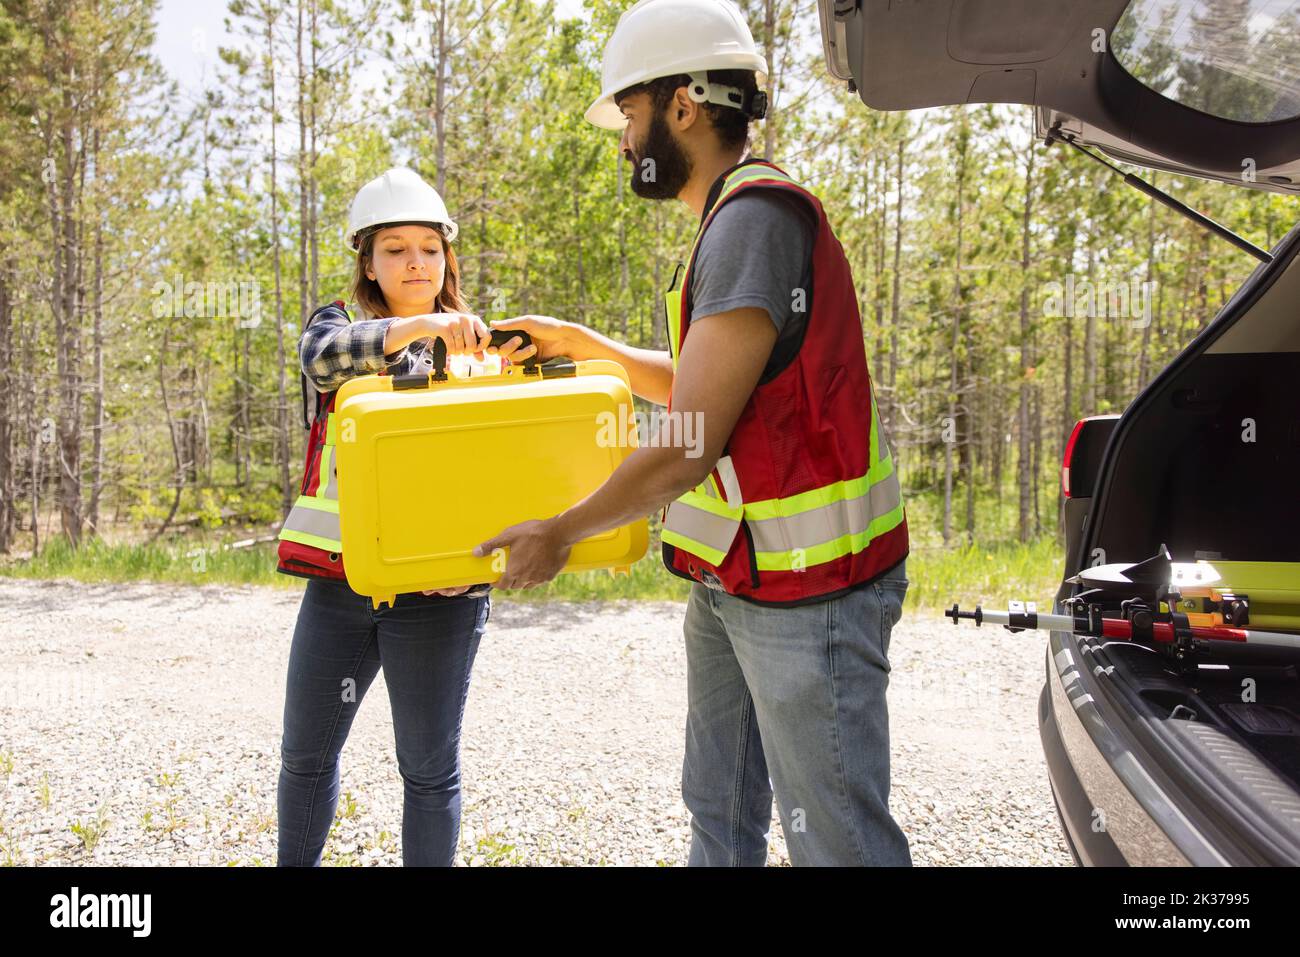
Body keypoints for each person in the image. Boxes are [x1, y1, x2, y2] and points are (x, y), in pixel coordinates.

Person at [482, 0, 912, 866]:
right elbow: (713, 390)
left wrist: (561, 531)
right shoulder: (728, 221)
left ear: (682, 106)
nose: (624, 143)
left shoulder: (751, 222)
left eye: (631, 117)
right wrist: (586, 345)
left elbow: (688, 440)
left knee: (838, 841)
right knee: (718, 809)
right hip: (738, 577)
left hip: (809, 591)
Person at [274, 167, 495, 866]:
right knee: (305, 755)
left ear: (446, 258)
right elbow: (321, 361)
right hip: (341, 585)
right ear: (367, 259)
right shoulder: (336, 326)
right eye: (395, 248)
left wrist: (470, 568)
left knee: (428, 772)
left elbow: (506, 474)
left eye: (429, 248)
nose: (415, 263)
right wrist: (419, 328)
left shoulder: (483, 352)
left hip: (440, 598)